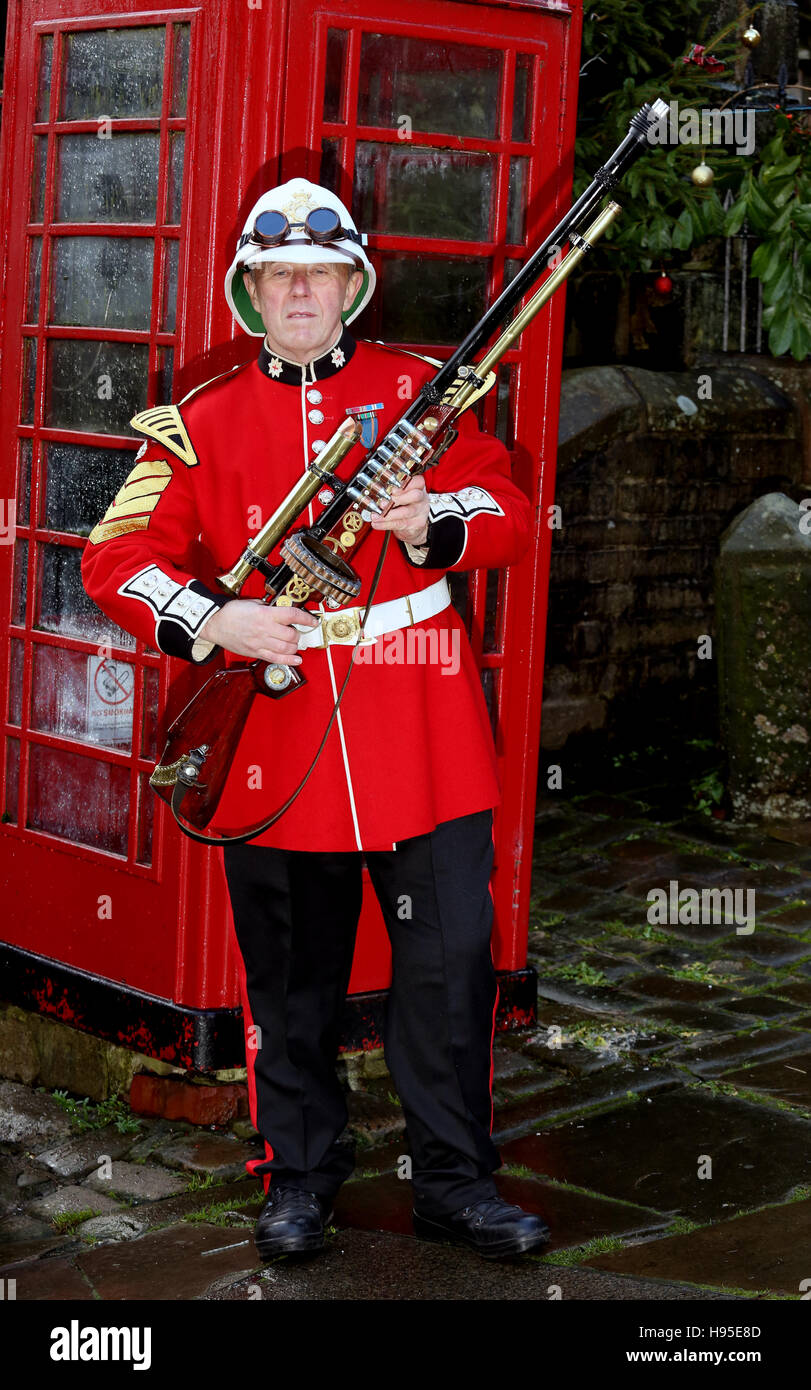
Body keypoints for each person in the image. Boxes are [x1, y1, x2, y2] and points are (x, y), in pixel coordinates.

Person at [82, 177, 550, 1261]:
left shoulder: (417, 394)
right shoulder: (198, 422)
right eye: (279, 273)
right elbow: (114, 558)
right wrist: (217, 619)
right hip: (273, 737)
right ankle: (298, 1177)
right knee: (290, 983)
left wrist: (433, 517)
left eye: (321, 272)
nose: (301, 288)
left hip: (419, 724)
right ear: (254, 289)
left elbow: (508, 505)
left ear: (352, 283)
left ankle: (454, 1182)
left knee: (448, 973)